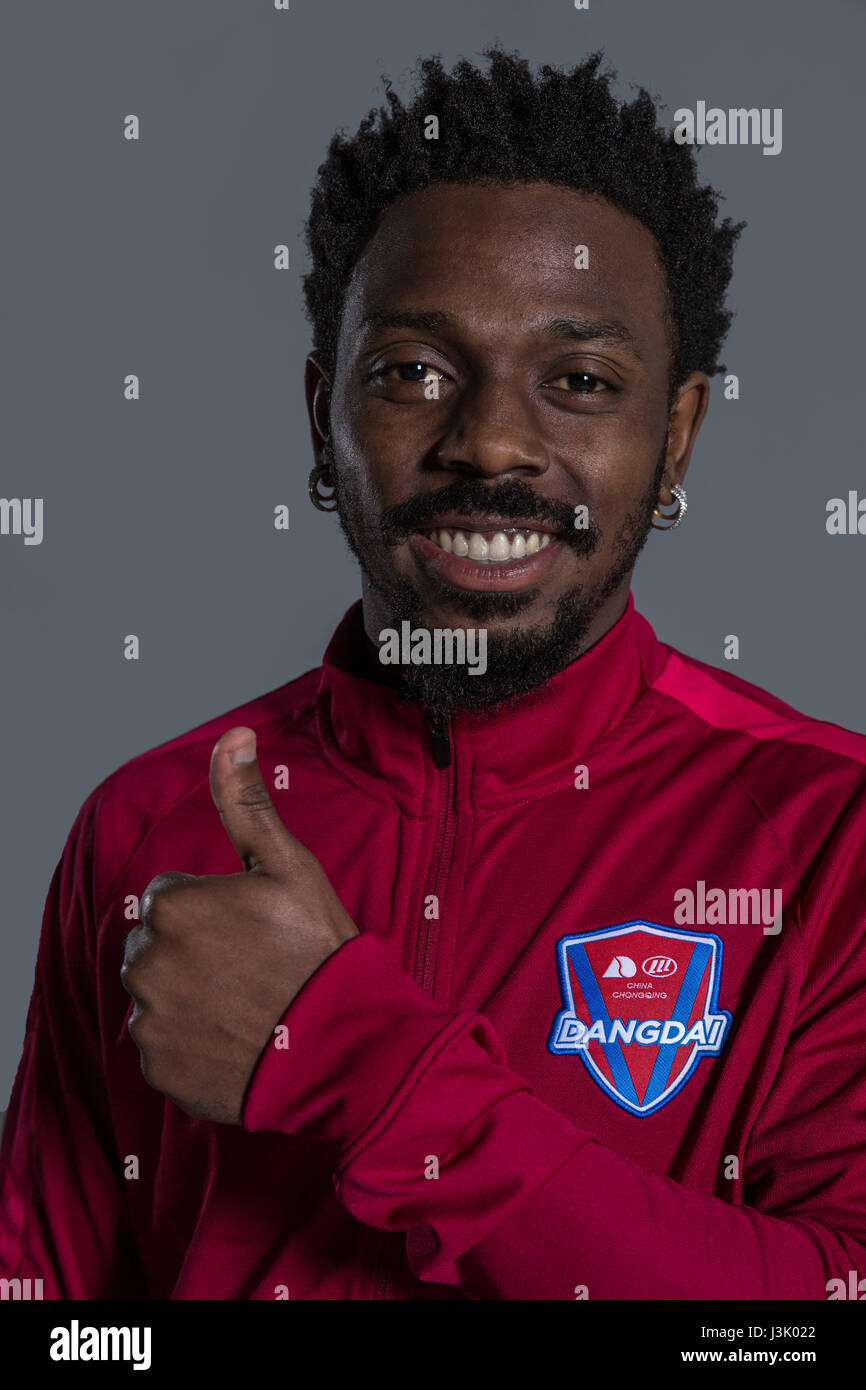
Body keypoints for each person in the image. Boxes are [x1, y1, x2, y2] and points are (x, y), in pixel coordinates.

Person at [2, 47, 865, 1302]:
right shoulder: (143, 825)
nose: (491, 442)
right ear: (322, 417)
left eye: (578, 381)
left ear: (673, 436)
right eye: (413, 371)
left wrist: (358, 1058)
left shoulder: (828, 834)